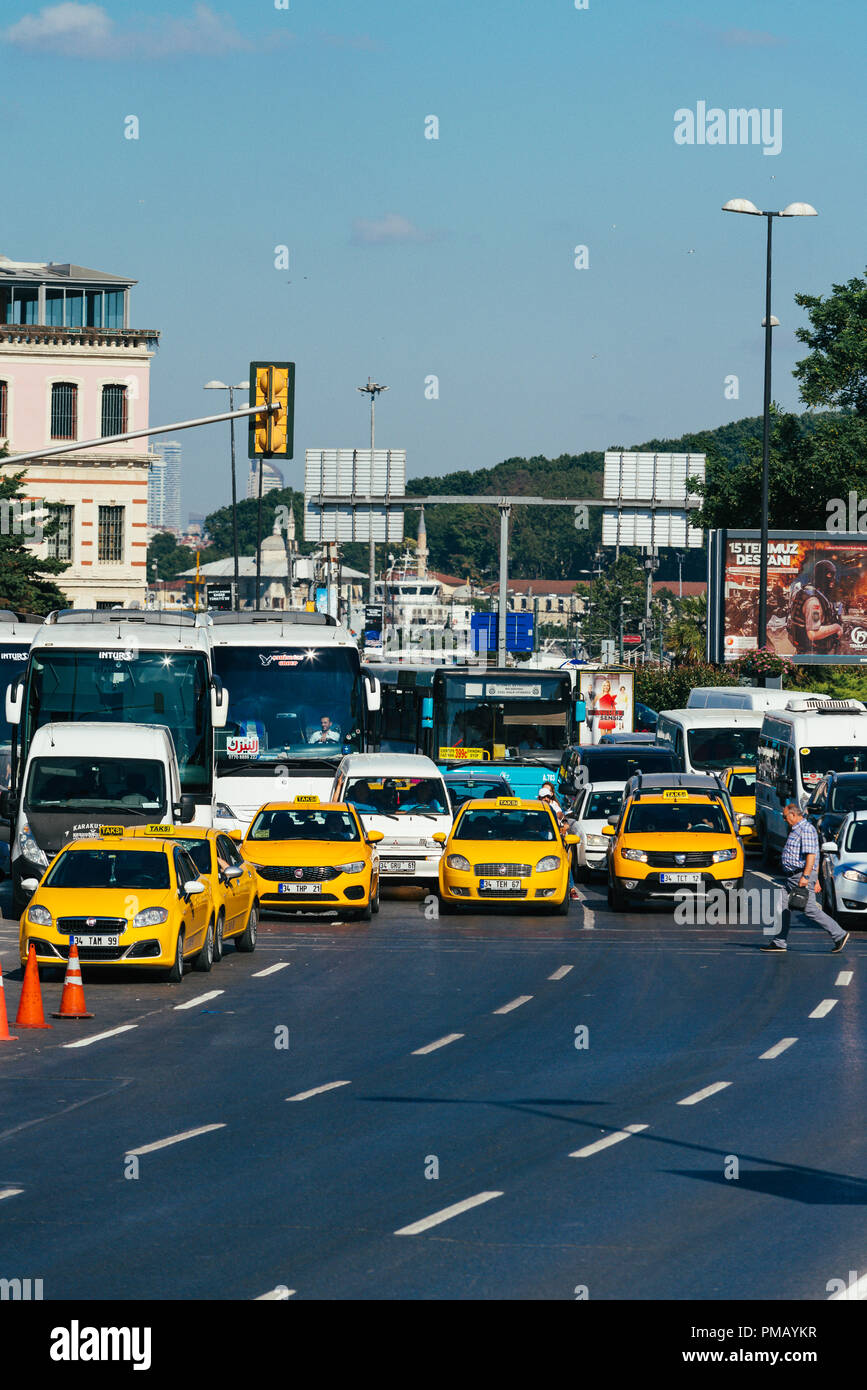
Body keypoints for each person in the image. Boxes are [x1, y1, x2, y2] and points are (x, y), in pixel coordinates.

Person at [760, 801, 848, 953]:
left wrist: (807, 876)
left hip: (800, 875)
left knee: (810, 910)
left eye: (785, 816)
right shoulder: (797, 829)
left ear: (793, 815)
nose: (784, 819)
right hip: (793, 877)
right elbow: (816, 853)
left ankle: (839, 934)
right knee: (782, 905)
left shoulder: (805, 829)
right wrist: (816, 878)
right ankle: (779, 942)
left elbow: (811, 855)